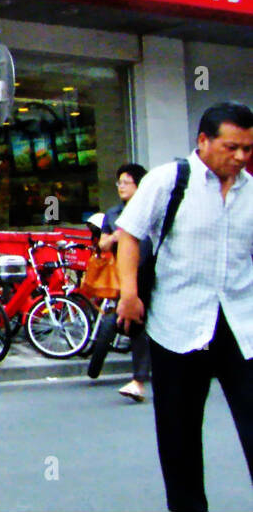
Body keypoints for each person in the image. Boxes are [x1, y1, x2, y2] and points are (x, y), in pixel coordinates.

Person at [115, 102, 253, 512]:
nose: (241, 157)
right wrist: (128, 292)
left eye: (248, 148)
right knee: (179, 436)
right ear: (204, 141)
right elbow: (129, 235)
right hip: (178, 323)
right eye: (232, 147)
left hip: (242, 326)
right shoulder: (167, 181)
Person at [98, 162, 151, 401]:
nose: (121, 186)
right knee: (134, 324)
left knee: (140, 325)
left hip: (154, 272)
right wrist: (118, 236)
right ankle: (139, 379)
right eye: (118, 182)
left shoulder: (153, 210)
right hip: (127, 275)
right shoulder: (113, 214)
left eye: (126, 182)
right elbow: (103, 243)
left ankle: (140, 379)